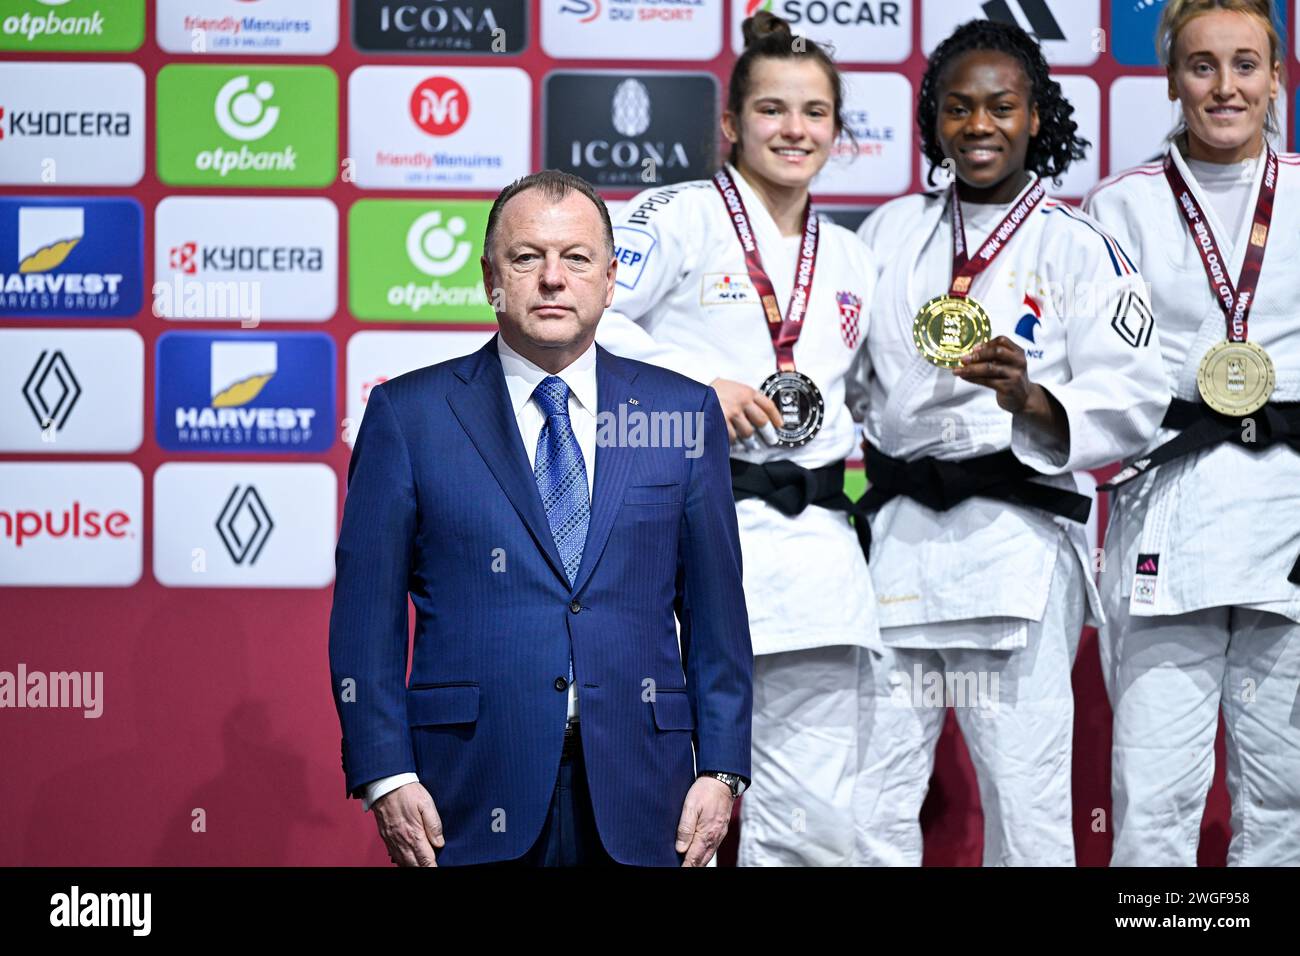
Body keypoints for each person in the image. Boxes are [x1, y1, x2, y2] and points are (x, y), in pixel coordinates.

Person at [328, 170, 753, 867]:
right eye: (527, 258)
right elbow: (363, 620)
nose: (553, 279)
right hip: (463, 790)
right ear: (490, 277)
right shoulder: (409, 416)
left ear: (611, 280)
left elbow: (717, 617)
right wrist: (386, 774)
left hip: (648, 793)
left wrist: (723, 768)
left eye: (577, 258)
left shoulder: (683, 414)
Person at [850, 18, 1169, 866]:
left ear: (1036, 116)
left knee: (1026, 807)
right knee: (873, 796)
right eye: (959, 109)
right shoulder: (886, 235)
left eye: (1001, 107)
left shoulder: (1080, 245)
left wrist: (1034, 398)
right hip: (899, 554)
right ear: (934, 122)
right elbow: (844, 367)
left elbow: (1136, 398)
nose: (979, 126)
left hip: (1015, 556)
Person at [595, 11, 880, 866]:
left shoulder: (853, 257)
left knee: (815, 823)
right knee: (662, 804)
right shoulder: (674, 216)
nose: (795, 130)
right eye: (771, 110)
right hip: (684, 547)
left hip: (817, 561)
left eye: (815, 113)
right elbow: (585, 326)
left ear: (836, 129)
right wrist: (692, 393)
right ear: (730, 124)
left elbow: (858, 398)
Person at [1084, 0, 1300, 866]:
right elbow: (1094, 367)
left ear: (1276, 78)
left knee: (1285, 796)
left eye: (1245, 65)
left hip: (1289, 519)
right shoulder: (1119, 207)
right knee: (1155, 798)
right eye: (1202, 65)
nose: (1225, 87)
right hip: (1167, 514)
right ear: (1172, 79)